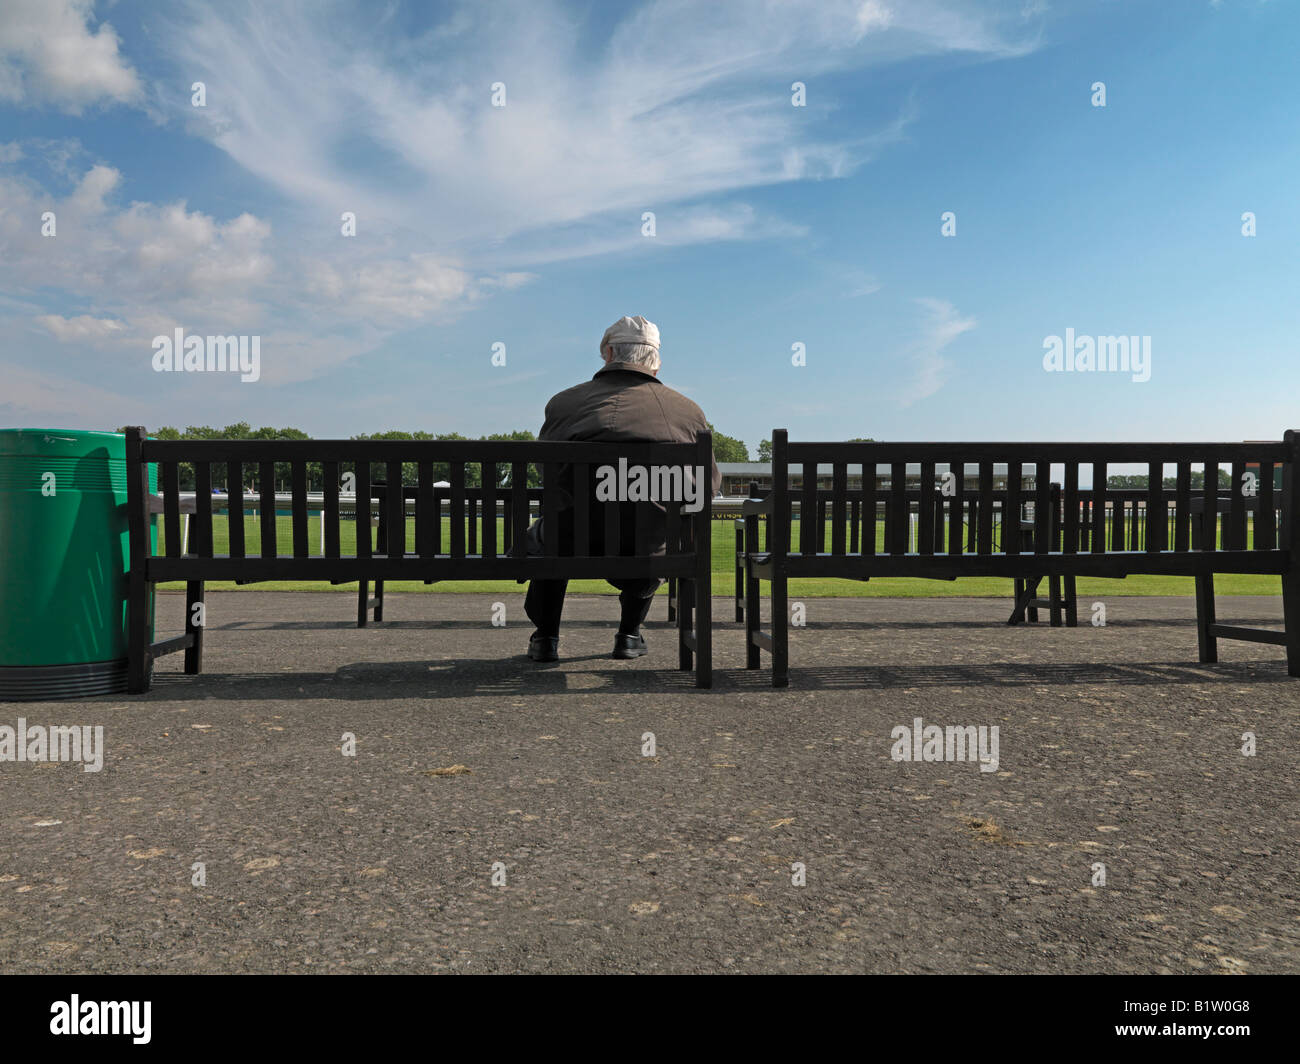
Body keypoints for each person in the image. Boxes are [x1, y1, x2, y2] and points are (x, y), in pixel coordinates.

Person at [524, 315, 721, 662]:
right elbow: (704, 489)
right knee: (653, 527)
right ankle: (629, 635)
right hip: (646, 546)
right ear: (656, 359)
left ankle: (545, 637)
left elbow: (547, 472)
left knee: (555, 529)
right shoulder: (688, 412)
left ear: (608, 352)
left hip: (570, 540)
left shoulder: (563, 403)